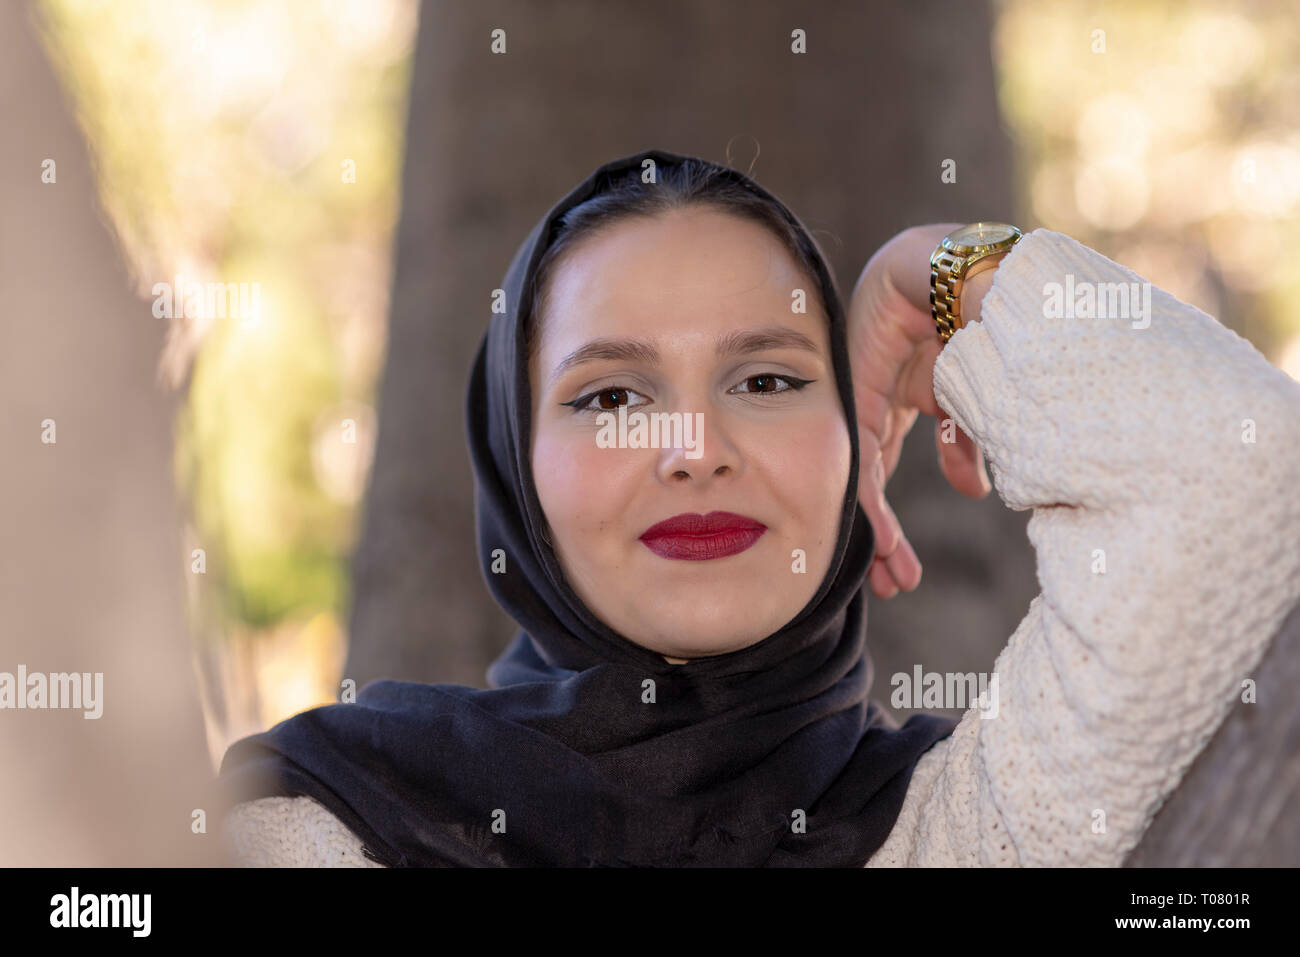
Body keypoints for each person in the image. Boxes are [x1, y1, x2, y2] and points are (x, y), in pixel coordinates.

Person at [216, 149, 1300, 867]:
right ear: (515, 470)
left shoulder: (966, 825)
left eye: (769, 381)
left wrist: (946, 274)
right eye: (610, 396)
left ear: (858, 451)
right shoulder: (324, 826)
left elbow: (1237, 468)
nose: (695, 452)